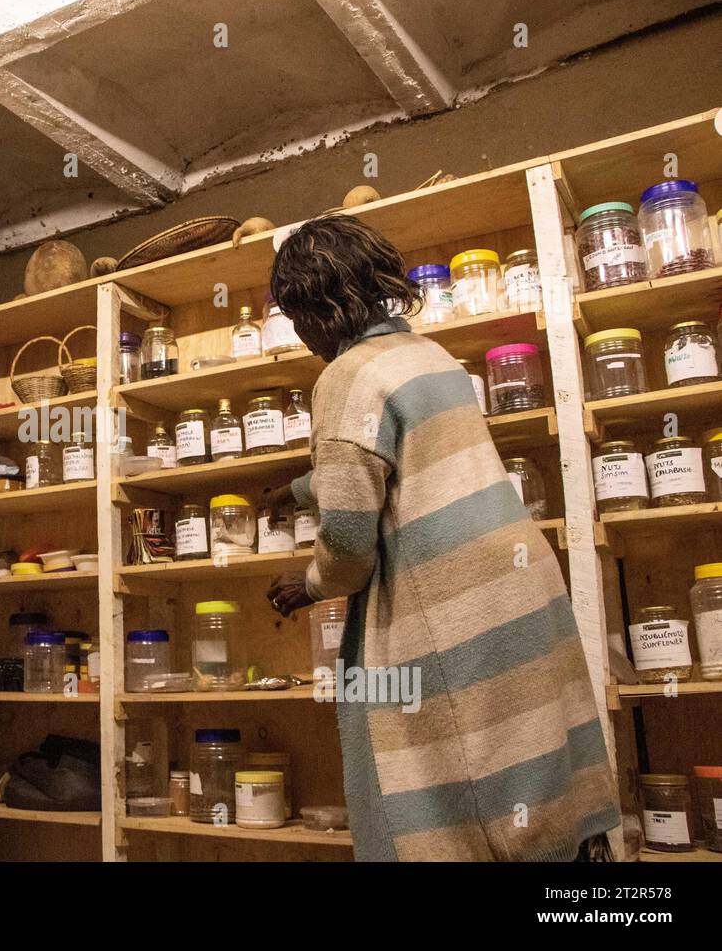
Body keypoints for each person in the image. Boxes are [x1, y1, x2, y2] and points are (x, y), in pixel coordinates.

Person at [264, 214, 618, 861]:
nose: (300, 333)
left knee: (442, 787)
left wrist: (311, 585)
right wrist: (298, 489)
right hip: (519, 593)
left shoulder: (345, 377)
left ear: (315, 308)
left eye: (296, 316)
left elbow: (347, 537)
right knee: (531, 762)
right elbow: (410, 468)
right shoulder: (429, 357)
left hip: (448, 608)